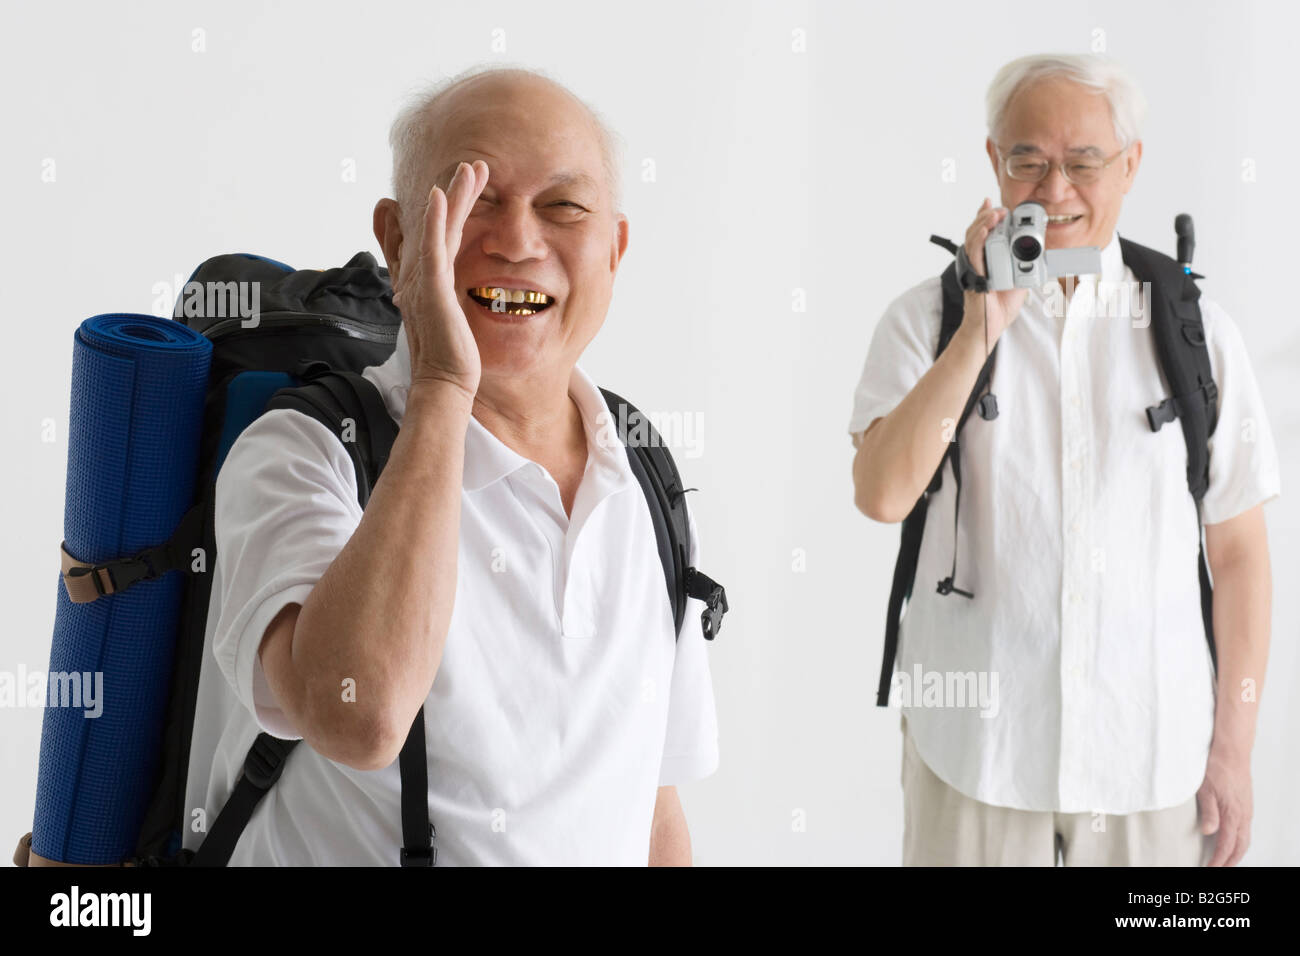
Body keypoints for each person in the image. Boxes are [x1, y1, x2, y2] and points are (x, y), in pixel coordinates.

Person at [184, 65, 719, 866]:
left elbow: (652, 800)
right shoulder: (303, 451)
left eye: (564, 207)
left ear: (615, 246)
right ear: (399, 241)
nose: (517, 242)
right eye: (476, 201)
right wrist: (442, 384)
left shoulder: (642, 470)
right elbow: (355, 715)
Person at [849, 53, 1280, 866]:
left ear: (1130, 166)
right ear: (993, 163)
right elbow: (880, 494)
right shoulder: (926, 320)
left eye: (1083, 162)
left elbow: (1241, 556)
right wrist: (982, 326)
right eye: (1028, 161)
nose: (1054, 191)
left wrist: (1234, 748)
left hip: (1152, 758)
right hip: (976, 752)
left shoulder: (1196, 333)